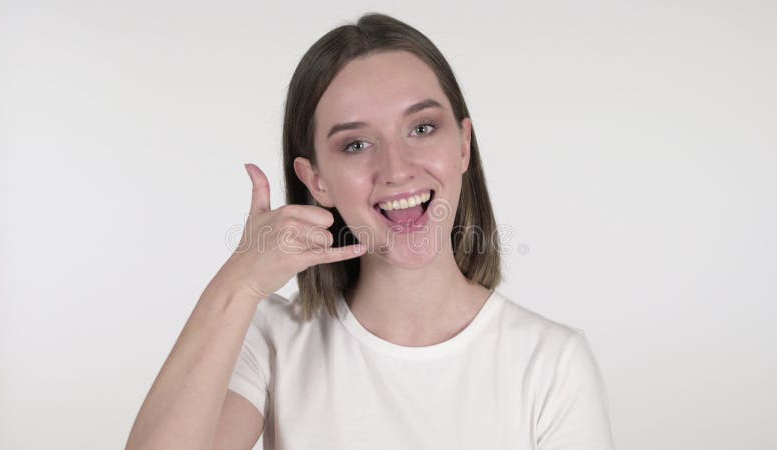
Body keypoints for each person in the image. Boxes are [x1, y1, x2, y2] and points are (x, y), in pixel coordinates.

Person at [125, 12, 615, 450]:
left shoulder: (551, 363)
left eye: (422, 128)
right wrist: (239, 282)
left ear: (463, 146)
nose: (397, 169)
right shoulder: (273, 341)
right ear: (316, 180)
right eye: (357, 144)